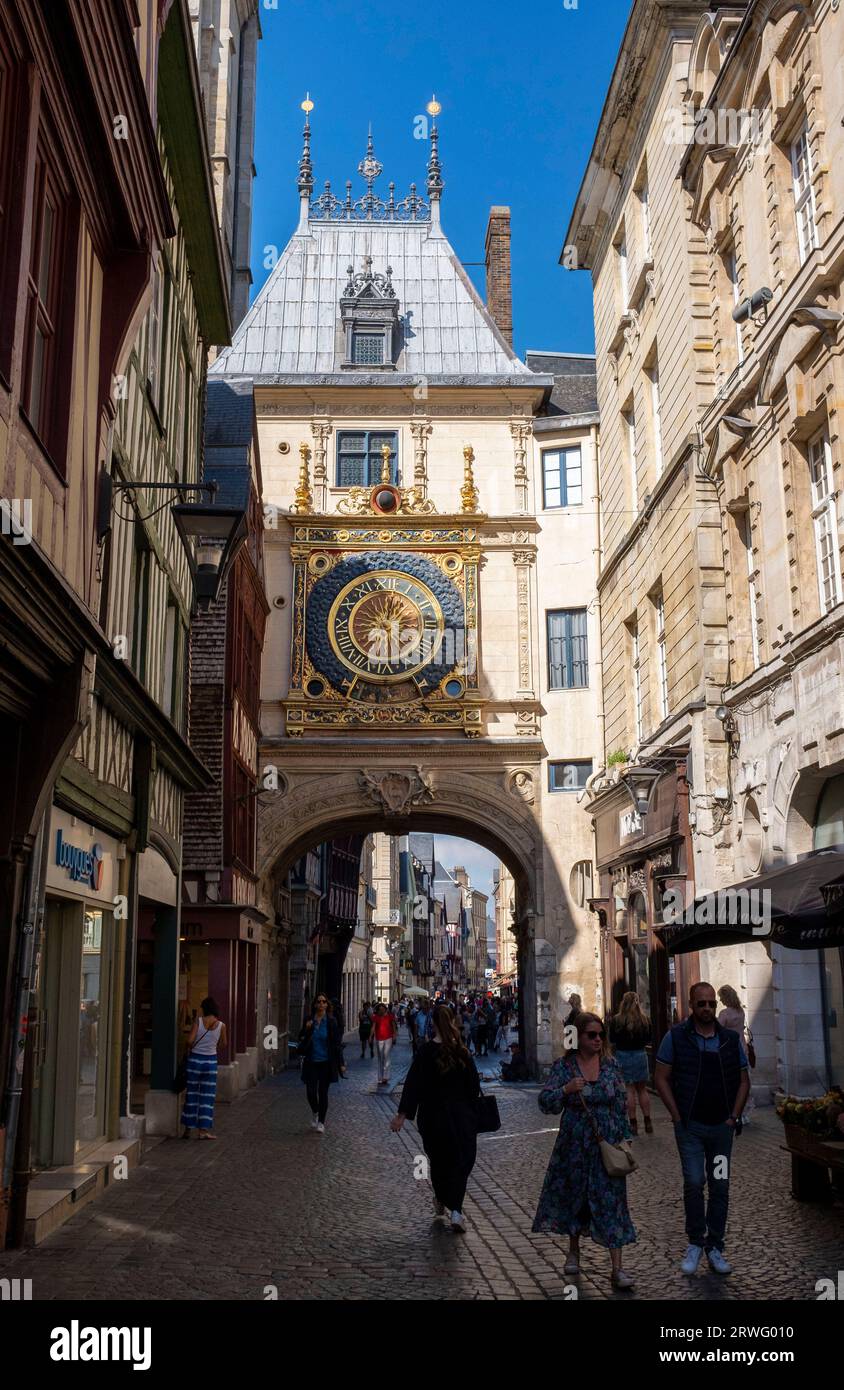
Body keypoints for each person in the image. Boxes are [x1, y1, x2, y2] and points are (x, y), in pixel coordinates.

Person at [532, 1011, 636, 1290]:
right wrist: (566, 1090)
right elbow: (546, 1103)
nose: (598, 1039)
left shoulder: (611, 1066)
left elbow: (621, 1102)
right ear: (578, 1037)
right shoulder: (565, 1067)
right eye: (592, 1035)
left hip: (606, 1145)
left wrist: (626, 1139)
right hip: (575, 1146)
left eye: (601, 1034)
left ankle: (617, 1269)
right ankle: (573, 1251)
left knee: (612, 1203)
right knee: (575, 1199)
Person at [654, 981, 751, 1277]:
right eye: (702, 1004)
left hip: (722, 1129)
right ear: (692, 1005)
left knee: (719, 1185)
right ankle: (696, 1242)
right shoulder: (676, 1038)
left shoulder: (729, 1040)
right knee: (695, 1181)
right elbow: (660, 1077)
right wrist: (676, 1116)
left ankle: (715, 1246)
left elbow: (744, 1079)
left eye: (711, 1004)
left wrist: (734, 1117)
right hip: (691, 1128)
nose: (707, 1008)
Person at [391, 1004, 481, 1233]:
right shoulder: (462, 1051)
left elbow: (413, 1085)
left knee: (439, 1162)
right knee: (460, 1162)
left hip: (432, 1117)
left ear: (432, 1023)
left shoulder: (425, 1052)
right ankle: (456, 1211)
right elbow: (473, 1087)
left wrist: (402, 1115)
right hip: (460, 1116)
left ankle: (442, 1199)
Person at [609, 992, 653, 1135]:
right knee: (642, 1089)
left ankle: (633, 1123)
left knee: (629, 1090)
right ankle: (647, 1120)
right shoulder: (645, 1020)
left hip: (623, 1055)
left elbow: (612, 1039)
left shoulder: (617, 1020)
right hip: (640, 1054)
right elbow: (649, 1039)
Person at [181, 997, 227, 1140]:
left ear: (204, 1008)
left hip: (195, 1061)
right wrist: (212, 1047)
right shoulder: (221, 1025)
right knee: (207, 1096)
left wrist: (192, 1047)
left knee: (192, 1095)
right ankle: (203, 1131)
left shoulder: (199, 1021)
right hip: (210, 1062)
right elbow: (223, 1044)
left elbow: (189, 1040)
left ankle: (188, 1129)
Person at [299, 993, 344, 1132]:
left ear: (326, 1004)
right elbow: (301, 1036)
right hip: (311, 1061)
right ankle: (315, 1112)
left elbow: (337, 1044)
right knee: (310, 1092)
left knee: (323, 1092)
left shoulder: (331, 1021)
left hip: (326, 1062)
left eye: (324, 1001)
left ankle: (321, 1122)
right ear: (315, 1004)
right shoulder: (309, 1019)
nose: (321, 1004)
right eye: (318, 1001)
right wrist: (306, 1029)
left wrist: (341, 1063)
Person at [717, 985, 755, 1124]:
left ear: (726, 998)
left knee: (732, 1081)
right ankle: (744, 1114)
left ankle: (734, 1111)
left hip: (729, 1049)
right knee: (745, 1080)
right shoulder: (740, 1012)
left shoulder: (724, 1014)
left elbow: (718, 1030)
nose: (720, 1000)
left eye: (721, 997)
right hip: (742, 1047)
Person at [372, 1001, 398, 1086]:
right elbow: (373, 1027)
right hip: (379, 1039)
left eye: (383, 1009)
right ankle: (380, 1077)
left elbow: (394, 1026)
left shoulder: (390, 1016)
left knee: (386, 1056)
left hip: (388, 1038)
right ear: (378, 1010)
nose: (381, 1011)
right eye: (380, 1009)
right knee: (380, 1058)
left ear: (385, 1009)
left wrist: (394, 1036)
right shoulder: (376, 1017)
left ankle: (385, 1077)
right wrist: (370, 1036)